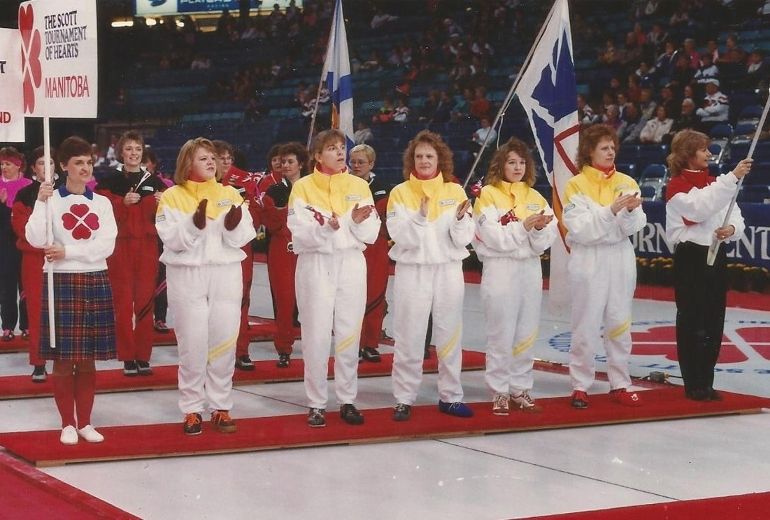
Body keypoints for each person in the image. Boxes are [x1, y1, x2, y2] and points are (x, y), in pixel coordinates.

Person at [156, 137, 256, 435]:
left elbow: (244, 236)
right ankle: (192, 409)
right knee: (193, 342)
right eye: (203, 158)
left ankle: (221, 406)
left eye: (212, 157)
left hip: (225, 272)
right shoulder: (172, 196)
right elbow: (171, 239)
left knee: (225, 339)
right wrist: (194, 224)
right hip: (188, 274)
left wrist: (232, 224)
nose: (211, 162)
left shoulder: (230, 194)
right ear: (187, 163)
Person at [25, 136, 118, 445]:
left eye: (89, 162)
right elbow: (36, 238)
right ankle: (67, 422)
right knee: (63, 359)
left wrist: (69, 251)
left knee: (88, 358)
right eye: (78, 162)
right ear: (63, 166)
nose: (85, 167)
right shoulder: (51, 200)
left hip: (93, 278)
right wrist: (40, 202)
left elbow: (106, 246)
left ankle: (86, 422)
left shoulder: (102, 203)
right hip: (61, 280)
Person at [287, 129, 379, 428]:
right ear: (317, 155)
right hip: (316, 263)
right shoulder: (302, 187)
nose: (341, 153)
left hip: (351, 262)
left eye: (342, 147)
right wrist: (327, 230)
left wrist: (353, 223)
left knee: (349, 330)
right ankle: (316, 403)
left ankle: (347, 399)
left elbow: (372, 232)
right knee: (315, 332)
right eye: (332, 148)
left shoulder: (358, 186)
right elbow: (300, 231)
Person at [387, 130, 475, 421]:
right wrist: (421, 217)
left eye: (429, 156)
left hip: (448, 269)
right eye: (419, 156)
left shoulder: (455, 191)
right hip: (413, 271)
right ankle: (404, 398)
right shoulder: (400, 193)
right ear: (411, 159)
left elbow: (463, 239)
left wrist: (461, 219)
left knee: (450, 333)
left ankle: (450, 396)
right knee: (409, 335)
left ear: (440, 160)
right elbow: (401, 236)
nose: (424, 161)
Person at [562, 125, 647, 409]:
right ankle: (580, 386)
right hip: (588, 258)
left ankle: (620, 383)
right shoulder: (575, 185)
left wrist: (632, 211)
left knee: (620, 321)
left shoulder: (627, 181)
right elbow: (581, 228)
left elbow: (633, 227)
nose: (610, 152)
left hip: (619, 257)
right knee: (585, 323)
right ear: (589, 152)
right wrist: (611, 211)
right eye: (604, 148)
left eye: (612, 147)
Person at [473, 138, 557, 415]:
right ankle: (499, 391)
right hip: (500, 268)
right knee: (501, 332)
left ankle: (520, 388)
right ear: (501, 165)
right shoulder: (487, 194)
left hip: (529, 269)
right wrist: (524, 228)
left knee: (526, 331)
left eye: (522, 162)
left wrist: (535, 231)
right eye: (512, 162)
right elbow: (494, 238)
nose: (518, 167)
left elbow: (546, 239)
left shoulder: (536, 197)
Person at [665, 130, 751, 401]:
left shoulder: (716, 184)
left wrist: (732, 228)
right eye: (703, 149)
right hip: (691, 258)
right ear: (688, 153)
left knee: (714, 319)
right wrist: (732, 177)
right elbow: (700, 208)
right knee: (693, 319)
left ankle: (706, 380)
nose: (708, 153)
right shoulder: (676, 188)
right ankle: (693, 381)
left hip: (716, 254)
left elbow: (734, 213)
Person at [96, 131, 166, 376]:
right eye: (129, 149)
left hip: (147, 247)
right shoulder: (108, 181)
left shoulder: (155, 182)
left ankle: (143, 356)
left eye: (138, 148)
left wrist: (161, 204)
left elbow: (165, 219)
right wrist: (121, 204)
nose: (134, 153)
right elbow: (101, 214)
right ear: (121, 152)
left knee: (146, 302)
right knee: (123, 303)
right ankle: (127, 356)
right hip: (121, 247)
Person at [12, 147, 62, 382]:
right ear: (34, 167)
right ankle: (39, 363)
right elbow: (21, 230)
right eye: (41, 163)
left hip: (62, 258)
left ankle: (65, 359)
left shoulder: (66, 192)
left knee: (65, 310)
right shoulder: (24, 195)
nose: (46, 167)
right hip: (34, 259)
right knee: (36, 311)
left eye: (50, 163)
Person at [215, 140, 261, 372]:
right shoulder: (203, 187)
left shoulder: (245, 185)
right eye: (220, 157)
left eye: (228, 158)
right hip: (214, 253)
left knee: (241, 300)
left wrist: (248, 200)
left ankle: (241, 350)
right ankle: (215, 352)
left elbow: (256, 222)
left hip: (241, 250)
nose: (225, 162)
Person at [262, 142, 308, 368]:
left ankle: (312, 346)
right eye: (282, 162)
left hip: (309, 250)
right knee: (284, 301)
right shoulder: (273, 191)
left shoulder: (313, 188)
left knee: (312, 301)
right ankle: (284, 348)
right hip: (282, 250)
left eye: (290, 161)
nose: (286, 166)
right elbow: (270, 221)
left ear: (301, 163)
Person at [349, 144, 391, 363]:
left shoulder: (383, 187)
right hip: (352, 246)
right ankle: (352, 343)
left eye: (361, 162)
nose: (355, 166)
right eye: (353, 161)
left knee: (375, 295)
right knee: (351, 297)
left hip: (377, 248)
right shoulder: (343, 185)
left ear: (371, 164)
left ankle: (371, 344)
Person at [0, 147, 32, 341]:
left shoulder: (29, 185)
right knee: (7, 286)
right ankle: (8, 326)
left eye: (8, 163)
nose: (4, 167)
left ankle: (27, 325)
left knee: (25, 284)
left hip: (25, 242)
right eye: (1, 164)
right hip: (4, 244)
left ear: (18, 165)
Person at [142, 149, 172, 334]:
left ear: (154, 164)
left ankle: (160, 318)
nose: (144, 165)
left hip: (160, 236)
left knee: (162, 277)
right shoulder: (131, 182)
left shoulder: (166, 184)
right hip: (141, 237)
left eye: (147, 161)